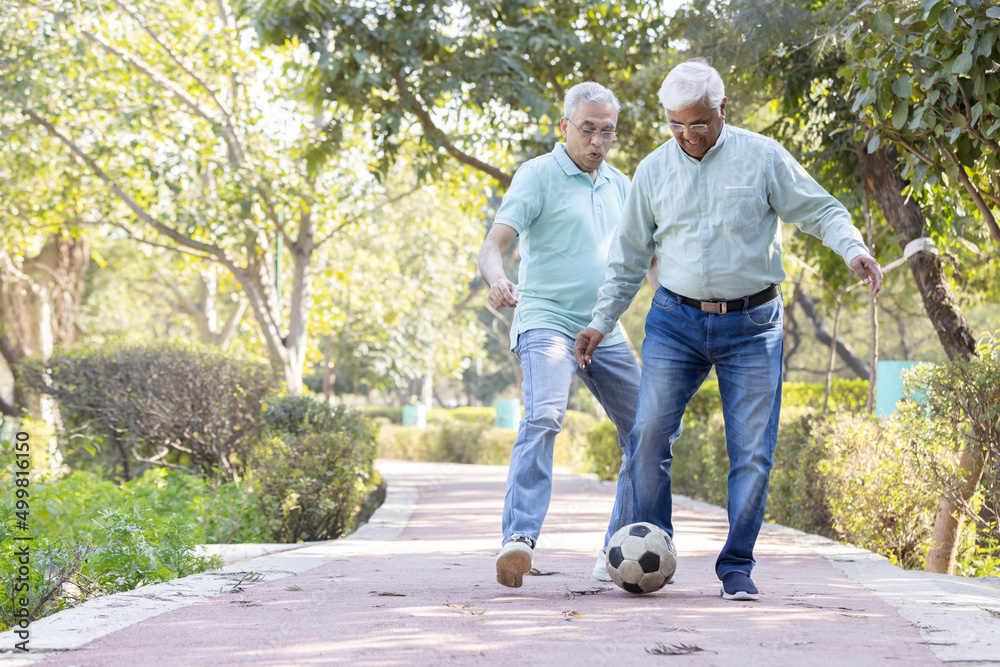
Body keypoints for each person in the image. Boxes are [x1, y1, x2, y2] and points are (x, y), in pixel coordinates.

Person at [574, 59, 883, 601]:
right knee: (647, 435)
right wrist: (600, 323)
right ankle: (652, 546)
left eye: (697, 123)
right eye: (674, 124)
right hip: (675, 321)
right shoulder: (652, 171)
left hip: (753, 323)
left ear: (723, 110)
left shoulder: (761, 158)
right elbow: (627, 262)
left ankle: (737, 564)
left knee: (753, 453)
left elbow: (820, 210)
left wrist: (853, 248)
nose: (686, 136)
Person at [480, 81, 654, 588]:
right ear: (564, 127)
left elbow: (652, 263)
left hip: (603, 328)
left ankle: (616, 549)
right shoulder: (537, 176)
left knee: (648, 432)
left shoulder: (623, 185)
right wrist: (498, 281)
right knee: (545, 414)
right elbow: (494, 245)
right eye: (588, 129)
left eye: (607, 132)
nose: (598, 141)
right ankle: (519, 539)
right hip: (546, 320)